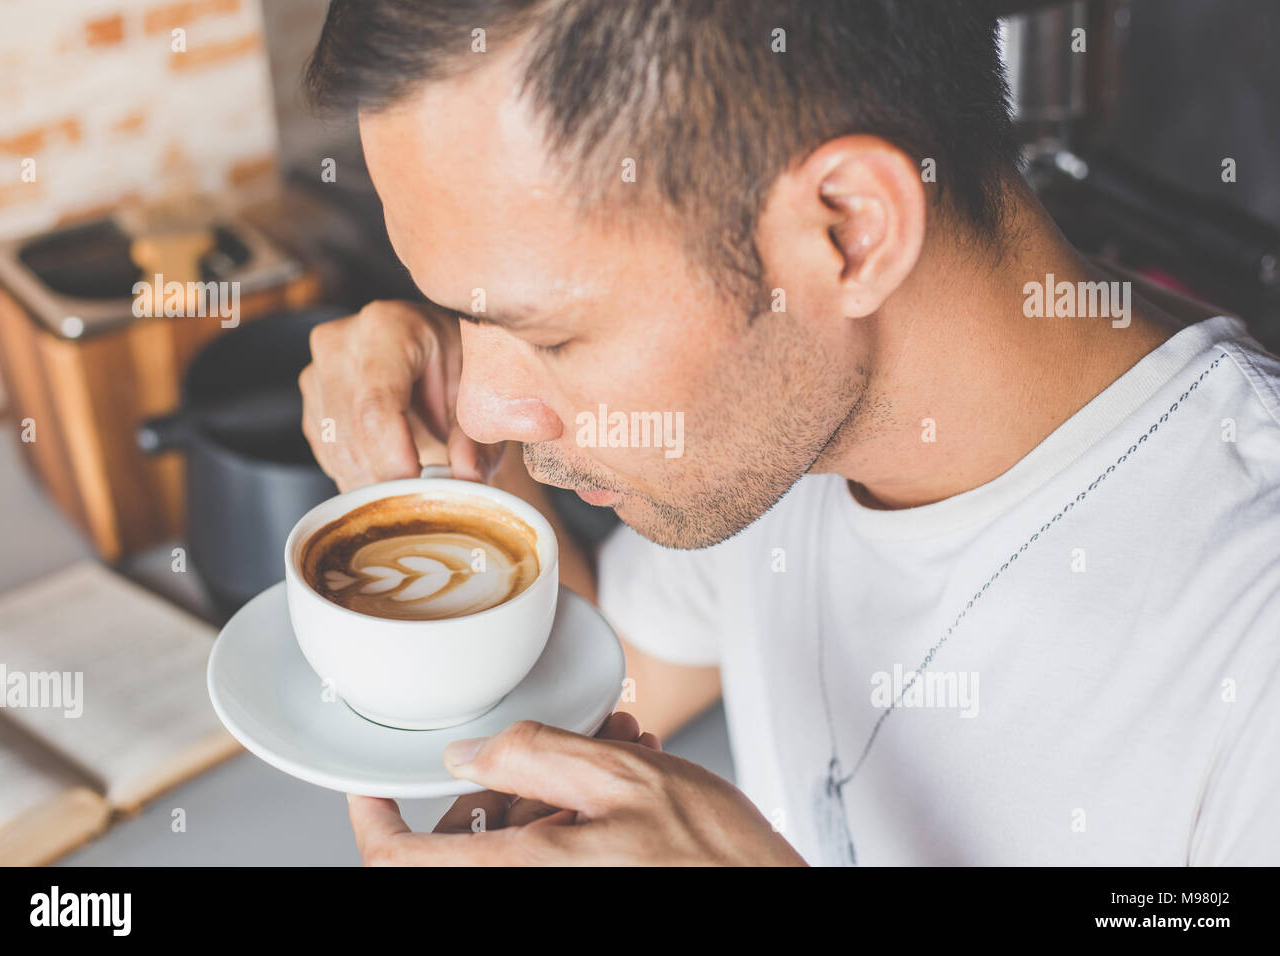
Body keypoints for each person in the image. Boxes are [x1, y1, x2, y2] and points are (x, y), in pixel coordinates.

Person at [298, 0, 1280, 865]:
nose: (482, 404)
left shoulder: (1247, 631)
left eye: (548, 330)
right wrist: (444, 429)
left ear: (848, 231)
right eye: (465, 317)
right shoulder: (777, 443)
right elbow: (611, 665)